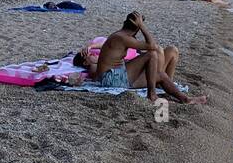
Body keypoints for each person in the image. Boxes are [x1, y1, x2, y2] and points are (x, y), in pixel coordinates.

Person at [74, 12, 205, 105]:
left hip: (116, 76)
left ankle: (183, 98)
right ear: (136, 29)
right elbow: (151, 46)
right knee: (152, 54)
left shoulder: (120, 35)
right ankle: (153, 95)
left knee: (159, 74)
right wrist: (142, 26)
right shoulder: (122, 37)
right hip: (111, 78)